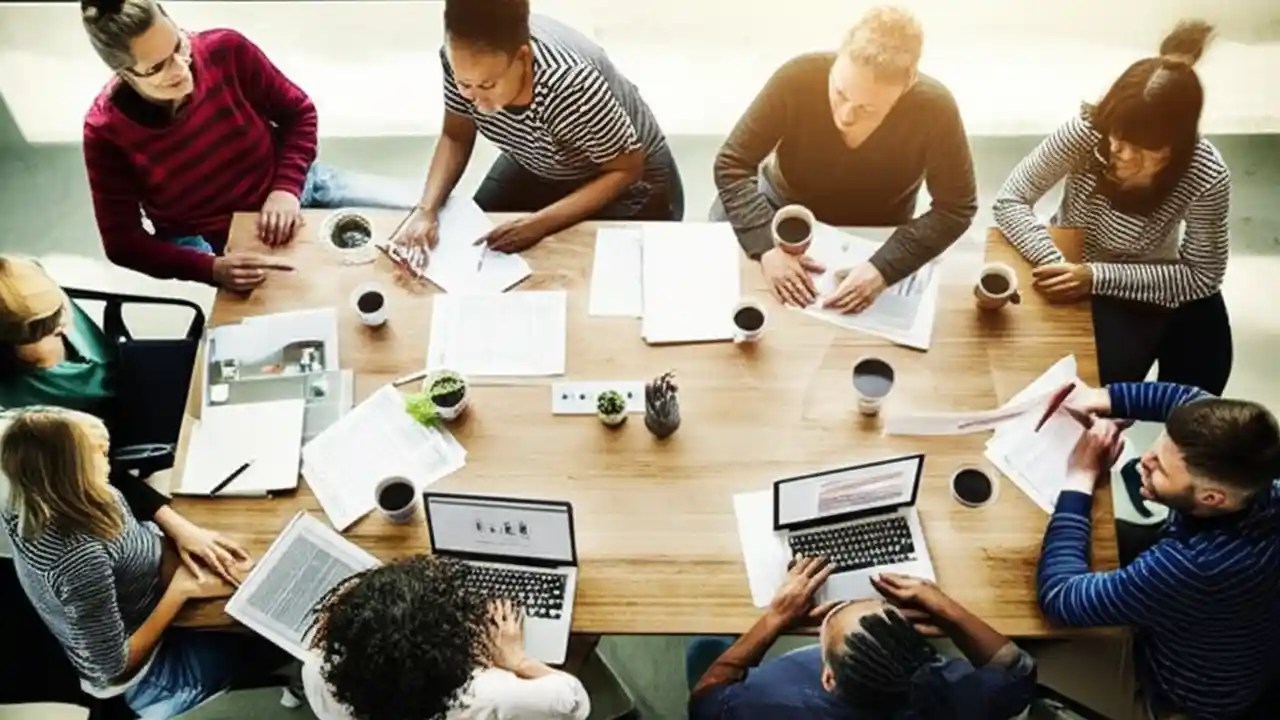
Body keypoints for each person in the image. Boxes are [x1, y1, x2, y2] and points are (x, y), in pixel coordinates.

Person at [80, 0, 417, 291]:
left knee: (429, 210)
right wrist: (210, 268)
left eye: (178, 45)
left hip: (297, 185)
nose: (183, 69)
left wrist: (285, 188)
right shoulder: (105, 132)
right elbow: (123, 243)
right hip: (221, 245)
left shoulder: (225, 49)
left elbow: (298, 112)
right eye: (157, 67)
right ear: (123, 73)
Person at [993, 21, 1232, 394]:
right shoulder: (1090, 132)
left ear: (1175, 147)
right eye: (1117, 141)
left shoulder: (1206, 173)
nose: (1120, 155)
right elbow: (1010, 200)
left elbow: (1202, 276)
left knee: (1101, 394)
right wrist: (1056, 262)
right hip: (1068, 262)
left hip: (1143, 284)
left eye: (1141, 150)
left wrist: (1095, 276)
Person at [0, 407, 282, 719]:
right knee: (270, 638)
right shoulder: (79, 559)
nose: (111, 462)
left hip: (149, 589)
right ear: (69, 473)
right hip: (153, 674)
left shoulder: (55, 491)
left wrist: (179, 538)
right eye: (101, 454)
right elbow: (110, 669)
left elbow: (125, 528)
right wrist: (181, 590)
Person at [712, 6, 976, 313]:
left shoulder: (935, 109)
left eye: (867, 108)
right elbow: (732, 163)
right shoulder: (797, 78)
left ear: (907, 85)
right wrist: (767, 247)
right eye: (839, 91)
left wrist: (884, 268)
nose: (845, 115)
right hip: (781, 211)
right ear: (838, 58)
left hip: (875, 231)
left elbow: (956, 208)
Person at [1040, 381, 1280, 718]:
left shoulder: (1192, 565)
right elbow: (1186, 399)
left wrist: (1081, 475)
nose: (1143, 461)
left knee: (1026, 647)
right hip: (1235, 636)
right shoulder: (1252, 470)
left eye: (1160, 469)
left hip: (1177, 691)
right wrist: (1102, 398)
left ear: (1211, 498)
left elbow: (1062, 598)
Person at [0, 255, 244, 583]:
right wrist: (178, 527)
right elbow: (96, 475)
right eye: (41, 331)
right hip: (103, 437)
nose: (63, 325)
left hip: (123, 374)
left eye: (59, 311)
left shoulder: (22, 273)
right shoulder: (21, 417)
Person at [393, 0, 683, 257]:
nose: (476, 101)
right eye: (464, 85)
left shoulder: (570, 85)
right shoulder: (460, 60)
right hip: (543, 157)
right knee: (473, 242)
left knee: (564, 269)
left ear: (523, 58)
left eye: (488, 86)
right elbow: (456, 136)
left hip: (628, 180)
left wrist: (539, 224)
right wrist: (426, 210)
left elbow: (626, 169)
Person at [687, 558, 1036, 719]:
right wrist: (944, 606)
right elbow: (1017, 671)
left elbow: (702, 702)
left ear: (827, 677)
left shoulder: (764, 704)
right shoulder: (956, 695)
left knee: (702, 648)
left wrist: (776, 618)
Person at [303, 555, 590, 720]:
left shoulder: (316, 671)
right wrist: (517, 661)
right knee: (582, 642)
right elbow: (575, 702)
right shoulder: (491, 696)